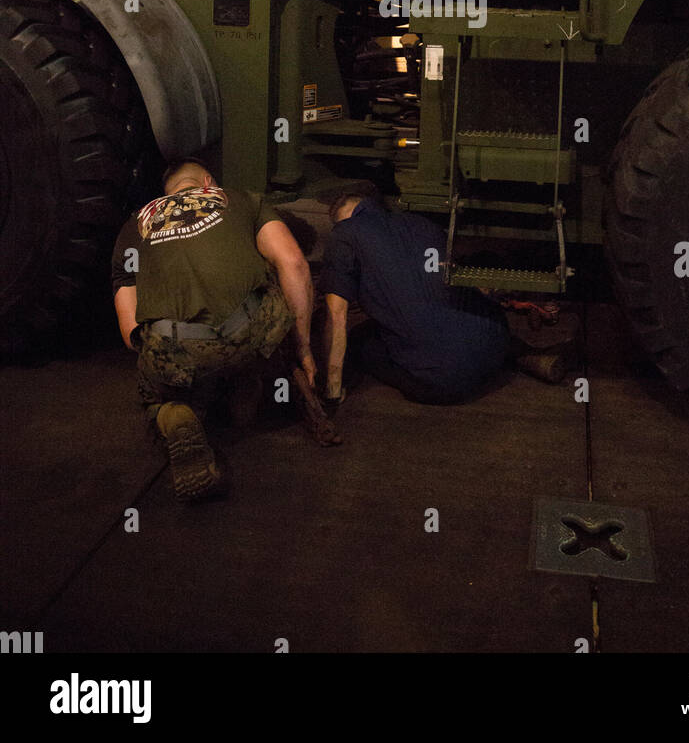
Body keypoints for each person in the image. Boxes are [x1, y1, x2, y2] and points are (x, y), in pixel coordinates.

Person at [112, 158, 314, 501]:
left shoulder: (134, 224)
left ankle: (173, 412)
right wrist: (304, 348)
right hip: (249, 330)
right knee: (271, 289)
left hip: (178, 345)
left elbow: (129, 323)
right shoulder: (241, 198)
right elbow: (293, 262)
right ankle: (247, 383)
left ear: (167, 193)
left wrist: (154, 359)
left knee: (155, 388)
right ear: (208, 181)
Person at [320, 191, 510, 405]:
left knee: (361, 341)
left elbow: (337, 316)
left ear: (342, 219)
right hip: (496, 352)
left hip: (445, 381)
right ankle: (523, 355)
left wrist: (332, 389)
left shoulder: (344, 233)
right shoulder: (424, 223)